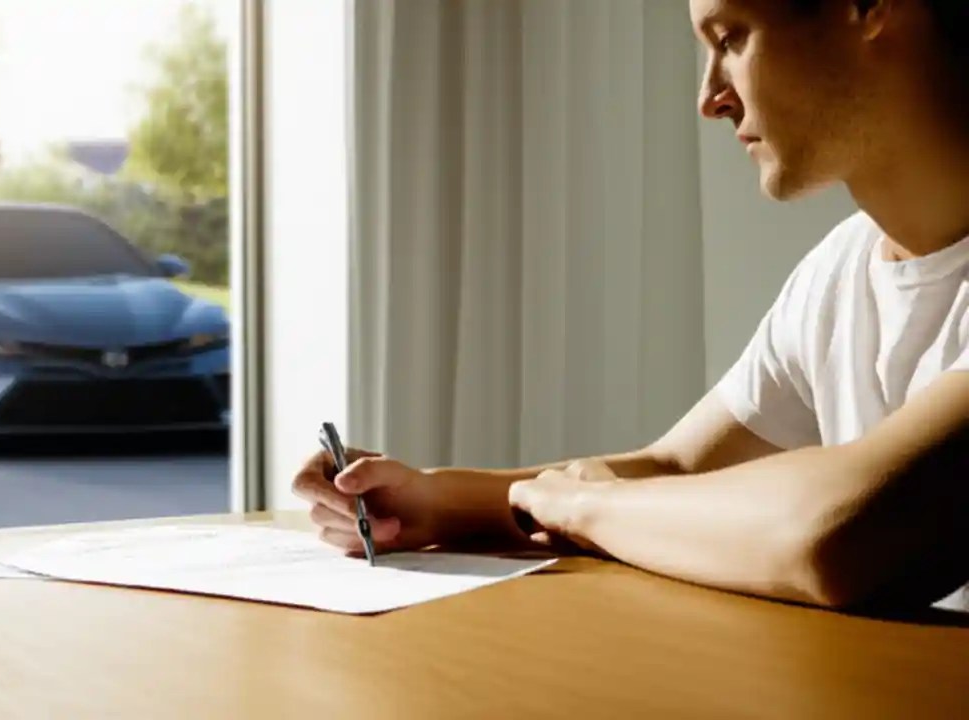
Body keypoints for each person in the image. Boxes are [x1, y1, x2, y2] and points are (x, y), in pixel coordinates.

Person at [292, 0, 969, 611]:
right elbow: (676, 469)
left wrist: (585, 506)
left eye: (731, 37)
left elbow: (838, 534)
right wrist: (433, 503)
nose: (710, 97)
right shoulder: (840, 270)